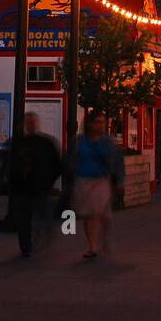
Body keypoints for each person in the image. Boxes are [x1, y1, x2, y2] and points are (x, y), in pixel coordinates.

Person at [5, 112, 63, 257]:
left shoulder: (45, 143)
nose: (30, 125)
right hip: (22, 188)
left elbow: (57, 164)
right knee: (24, 218)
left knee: (42, 215)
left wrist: (49, 182)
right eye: (28, 122)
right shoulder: (17, 142)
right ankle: (26, 246)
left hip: (40, 187)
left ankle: (39, 237)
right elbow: (10, 163)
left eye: (32, 122)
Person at [69, 110, 124, 258]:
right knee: (89, 215)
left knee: (100, 214)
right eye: (98, 122)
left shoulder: (108, 142)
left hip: (101, 180)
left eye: (103, 123)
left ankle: (103, 239)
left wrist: (119, 180)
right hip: (83, 179)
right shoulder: (79, 141)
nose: (101, 126)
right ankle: (92, 245)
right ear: (89, 124)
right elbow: (72, 160)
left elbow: (118, 162)